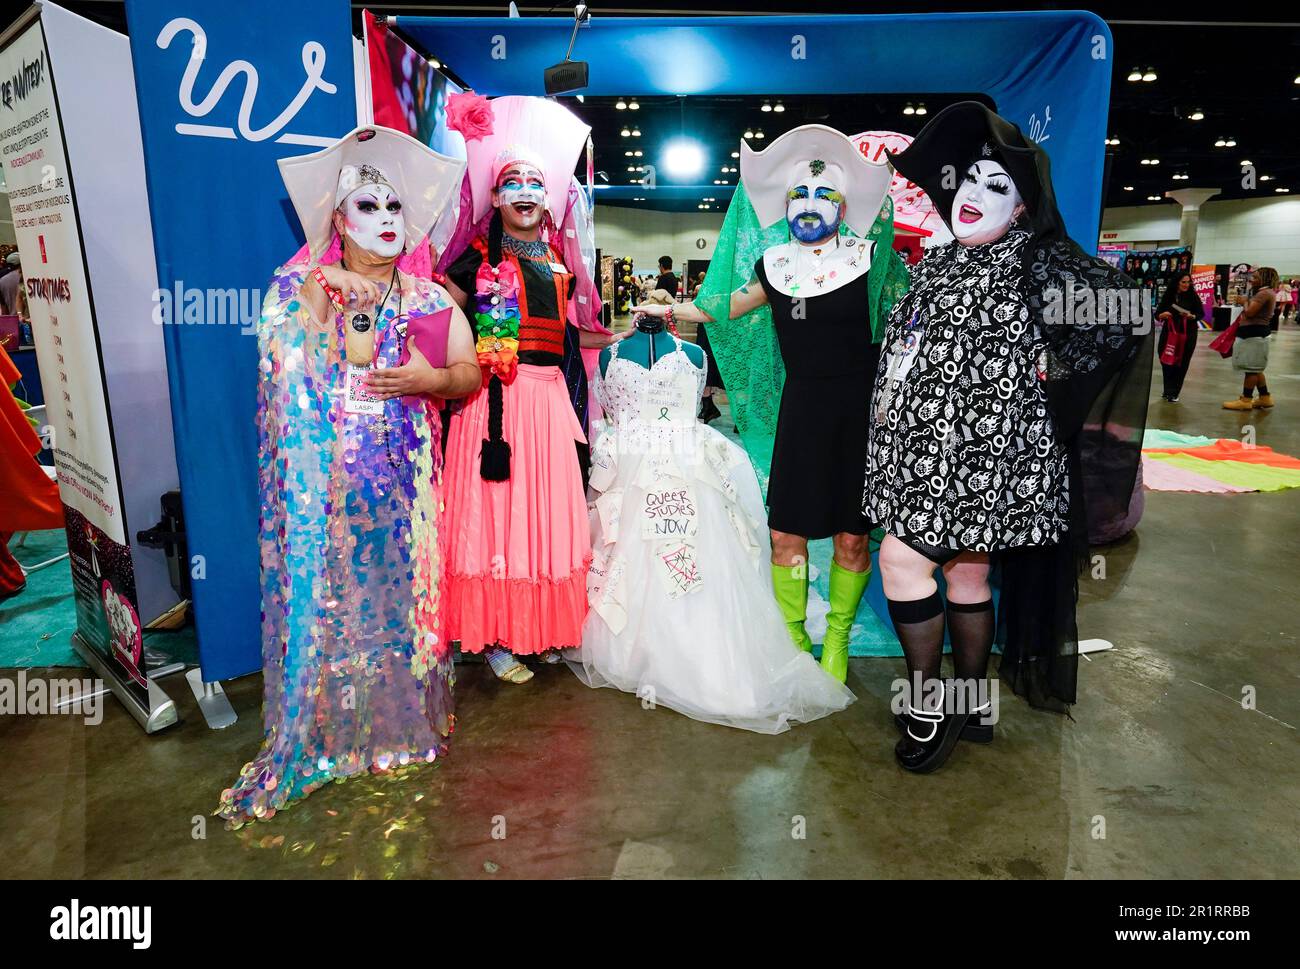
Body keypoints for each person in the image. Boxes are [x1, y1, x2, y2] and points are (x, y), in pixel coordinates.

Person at [865, 102, 1150, 773]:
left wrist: (1052, 386)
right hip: (921, 455)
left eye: (1000, 188)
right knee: (968, 573)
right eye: (971, 179)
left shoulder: (1035, 262)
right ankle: (973, 703)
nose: (975, 195)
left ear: (1022, 210)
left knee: (903, 564)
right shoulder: (935, 263)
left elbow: (1125, 313)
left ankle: (929, 702)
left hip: (986, 462)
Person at [217, 126, 477, 825]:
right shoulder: (308, 287)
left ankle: (395, 731)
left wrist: (431, 376)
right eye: (369, 206)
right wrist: (322, 286)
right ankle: (329, 737)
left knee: (400, 610)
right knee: (333, 608)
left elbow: (467, 373)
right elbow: (291, 354)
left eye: (396, 208)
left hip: (404, 486)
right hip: (325, 491)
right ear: (338, 219)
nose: (387, 220)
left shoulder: (425, 300)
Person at [634, 124, 904, 683]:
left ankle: (836, 642)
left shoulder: (872, 259)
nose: (809, 204)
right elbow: (722, 309)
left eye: (823, 194)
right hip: (801, 413)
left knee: (853, 535)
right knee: (789, 532)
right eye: (798, 195)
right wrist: (667, 311)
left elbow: (909, 320)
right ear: (784, 206)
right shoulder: (776, 265)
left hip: (861, 417)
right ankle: (793, 639)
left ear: (844, 204)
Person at [569, 311, 856, 732]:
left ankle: (668, 653)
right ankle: (670, 650)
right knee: (644, 553)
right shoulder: (654, 354)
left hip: (668, 464)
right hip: (654, 466)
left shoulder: (671, 355)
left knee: (685, 556)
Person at [438, 94, 622, 685]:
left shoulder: (558, 258)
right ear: (492, 196)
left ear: (550, 199)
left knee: (543, 518)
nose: (523, 192)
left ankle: (535, 628)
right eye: (510, 182)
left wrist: (622, 333)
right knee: (496, 516)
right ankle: (493, 635)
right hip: (493, 407)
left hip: (547, 402)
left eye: (534, 184)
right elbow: (438, 319)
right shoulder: (473, 260)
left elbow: (570, 336)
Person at [1224, 267, 1279, 410]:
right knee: (1256, 367)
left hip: (1254, 333)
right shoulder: (1266, 292)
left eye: (1255, 277)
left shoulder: (1263, 294)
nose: (1251, 280)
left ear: (1264, 279)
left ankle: (1246, 399)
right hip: (1255, 333)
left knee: (1251, 369)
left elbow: (1250, 312)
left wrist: (1244, 301)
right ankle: (1264, 397)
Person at [1157, 273, 1203, 402]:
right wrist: (1162, 315)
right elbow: (1157, 314)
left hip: (1187, 334)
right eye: (1183, 282)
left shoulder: (1193, 296)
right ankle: (1167, 389)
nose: (1186, 285)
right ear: (1177, 282)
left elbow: (1200, 314)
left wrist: (1192, 316)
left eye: (1188, 282)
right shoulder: (1169, 296)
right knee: (1165, 358)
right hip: (1169, 332)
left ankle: (1174, 392)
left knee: (1181, 363)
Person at [0, 253, 22, 318]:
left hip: (13, 319)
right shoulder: (24, 276)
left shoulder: (2, 280)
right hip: (28, 318)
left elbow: (3, 306)